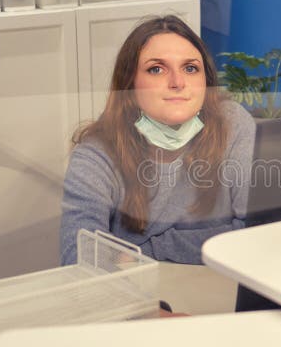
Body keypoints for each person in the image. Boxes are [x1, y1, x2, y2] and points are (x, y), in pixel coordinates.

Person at [59, 15, 255, 265]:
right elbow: (78, 260)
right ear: (130, 85)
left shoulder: (233, 123)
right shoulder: (97, 152)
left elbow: (256, 234)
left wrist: (145, 251)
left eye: (190, 68)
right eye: (156, 69)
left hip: (224, 285)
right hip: (138, 294)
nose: (177, 82)